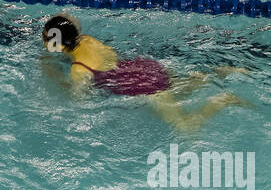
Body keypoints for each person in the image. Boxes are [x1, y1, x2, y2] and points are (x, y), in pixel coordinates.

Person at [40, 15, 246, 132]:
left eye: (46, 39)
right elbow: (71, 21)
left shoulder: (79, 69)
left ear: (56, 43)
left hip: (143, 85)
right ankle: (216, 73)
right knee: (179, 91)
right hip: (146, 67)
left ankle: (221, 101)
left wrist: (54, 77)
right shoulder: (87, 39)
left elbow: (79, 101)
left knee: (185, 128)